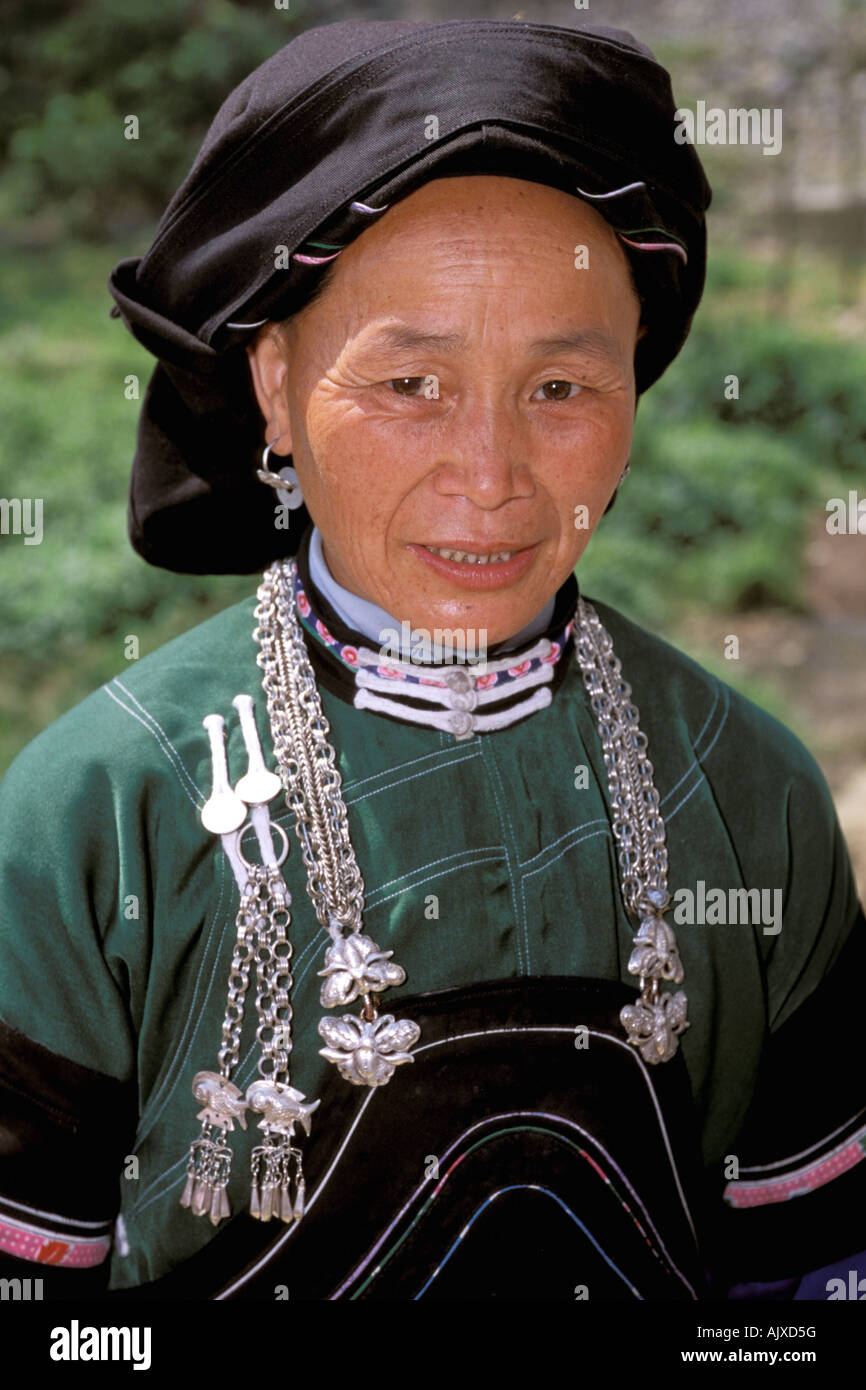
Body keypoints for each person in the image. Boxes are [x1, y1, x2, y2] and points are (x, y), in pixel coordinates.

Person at [0, 17, 863, 1302]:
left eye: (561, 389)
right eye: (410, 383)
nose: (492, 477)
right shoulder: (96, 819)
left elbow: (813, 1281)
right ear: (275, 390)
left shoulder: (747, 791)